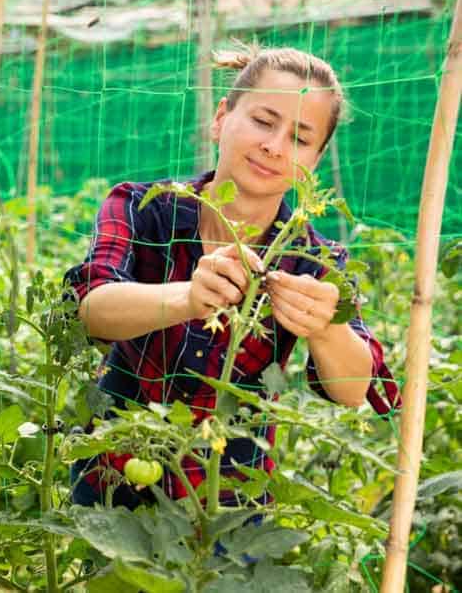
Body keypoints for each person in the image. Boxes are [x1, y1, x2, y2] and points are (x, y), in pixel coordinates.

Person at [64, 43, 401, 510]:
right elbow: (90, 310)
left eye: (300, 139)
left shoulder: (315, 260)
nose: (274, 146)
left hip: (227, 501)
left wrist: (327, 326)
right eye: (263, 121)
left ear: (315, 162)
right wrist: (186, 297)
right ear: (221, 117)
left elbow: (351, 389)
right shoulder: (143, 210)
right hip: (114, 485)